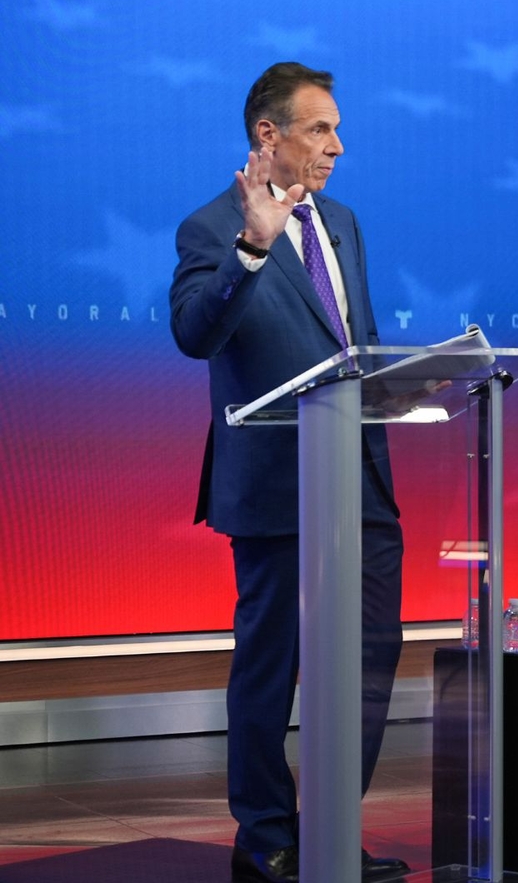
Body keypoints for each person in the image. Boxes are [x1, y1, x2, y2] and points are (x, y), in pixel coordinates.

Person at [170, 62, 410, 882]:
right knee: (270, 668)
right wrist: (251, 248)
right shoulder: (210, 229)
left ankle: (333, 828)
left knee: (374, 653)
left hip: (363, 480)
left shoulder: (342, 220)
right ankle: (266, 835)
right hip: (277, 485)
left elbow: (359, 345)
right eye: (319, 129)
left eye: (337, 129)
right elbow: (195, 335)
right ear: (267, 135)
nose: (337, 146)